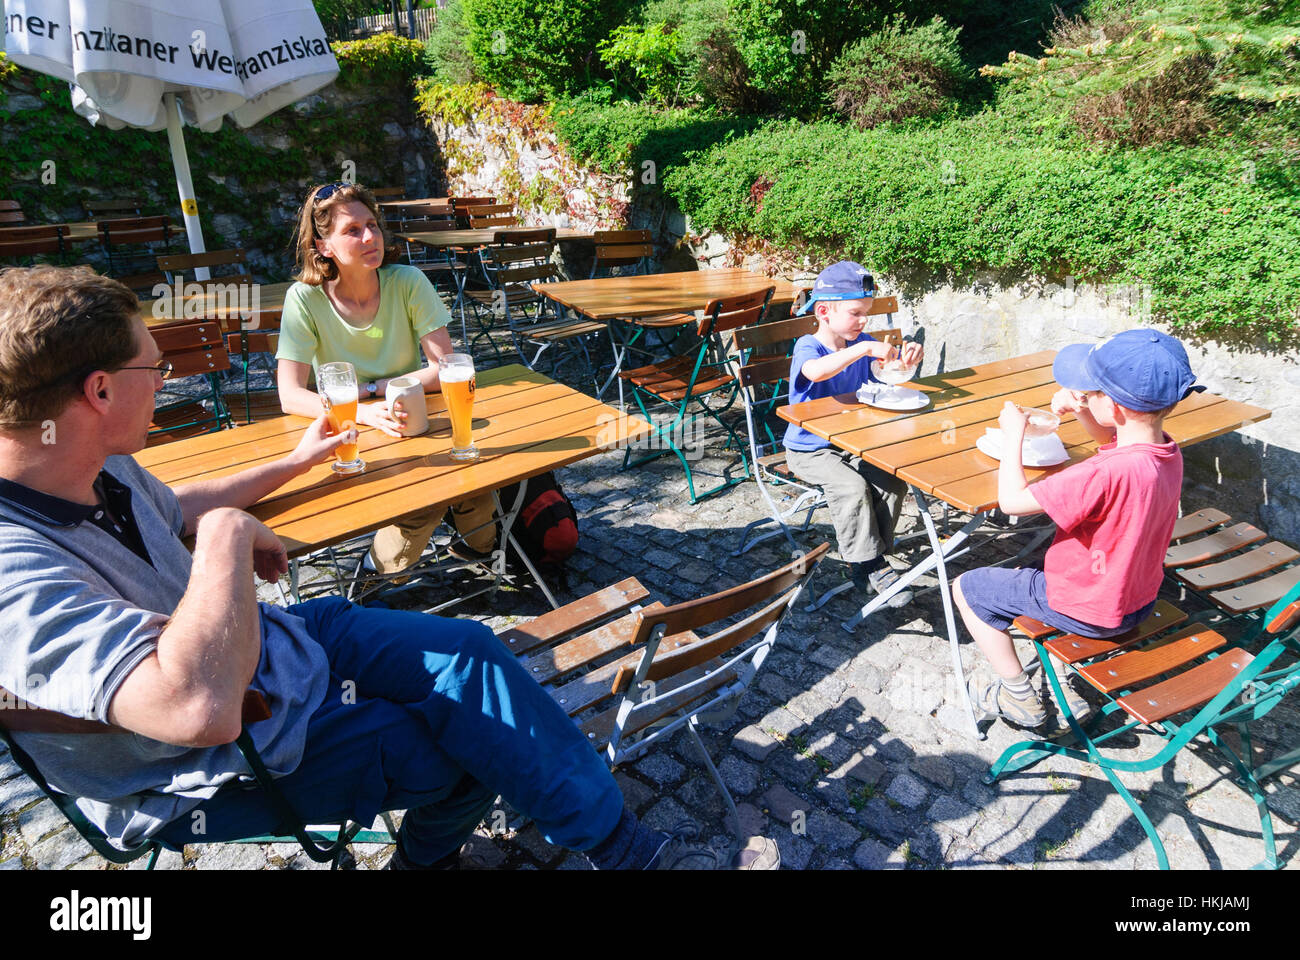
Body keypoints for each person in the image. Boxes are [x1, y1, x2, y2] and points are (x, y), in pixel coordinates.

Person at [0, 265, 777, 870]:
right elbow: (197, 711)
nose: (165, 380)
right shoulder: (14, 569)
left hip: (277, 646)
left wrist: (291, 464)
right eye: (155, 370)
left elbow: (176, 505)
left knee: (473, 652)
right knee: (469, 747)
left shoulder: (96, 467)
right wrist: (232, 538)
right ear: (99, 390)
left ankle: (606, 843)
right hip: (208, 764)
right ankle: (457, 857)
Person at [953, 328, 1197, 730]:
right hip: (1137, 600)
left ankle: (1017, 696)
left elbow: (1012, 502)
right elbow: (1112, 436)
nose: (1085, 394)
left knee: (969, 588)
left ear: (1115, 406)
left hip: (1092, 608)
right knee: (1029, 565)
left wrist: (1013, 434)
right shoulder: (1166, 451)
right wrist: (1083, 409)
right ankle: (1048, 669)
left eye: (1093, 391)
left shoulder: (1102, 473)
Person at [275, 182, 496, 573]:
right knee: (426, 502)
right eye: (352, 230)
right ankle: (373, 578)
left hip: (416, 423)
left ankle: (478, 556)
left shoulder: (407, 281)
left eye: (372, 225)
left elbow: (445, 367)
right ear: (324, 246)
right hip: (351, 437)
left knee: (477, 485)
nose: (369, 236)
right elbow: (290, 396)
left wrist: (376, 390)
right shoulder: (304, 299)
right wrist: (363, 410)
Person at [782, 261, 924, 606]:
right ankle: (867, 564)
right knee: (852, 487)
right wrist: (862, 348)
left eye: (867, 315)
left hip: (852, 443)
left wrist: (908, 362)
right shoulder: (809, 347)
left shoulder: (859, 341)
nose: (863, 323)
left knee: (891, 481)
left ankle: (873, 559)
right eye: (856, 313)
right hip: (809, 448)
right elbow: (814, 373)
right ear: (824, 311)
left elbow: (885, 378)